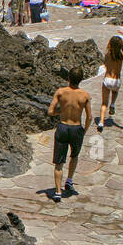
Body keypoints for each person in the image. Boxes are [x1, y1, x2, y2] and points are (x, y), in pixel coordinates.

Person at [47, 68, 90, 203]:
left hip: (63, 126)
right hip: (76, 128)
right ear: (81, 79)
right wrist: (85, 130)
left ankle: (58, 191)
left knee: (59, 162)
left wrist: (62, 112)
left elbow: (50, 111)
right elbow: (89, 116)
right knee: (74, 155)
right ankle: (69, 180)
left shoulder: (61, 92)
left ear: (68, 78)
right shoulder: (85, 95)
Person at [97, 36, 123, 131]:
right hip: (117, 80)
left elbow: (105, 64)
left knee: (104, 103)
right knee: (115, 92)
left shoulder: (107, 54)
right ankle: (113, 104)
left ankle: (101, 122)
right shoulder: (122, 55)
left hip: (107, 79)